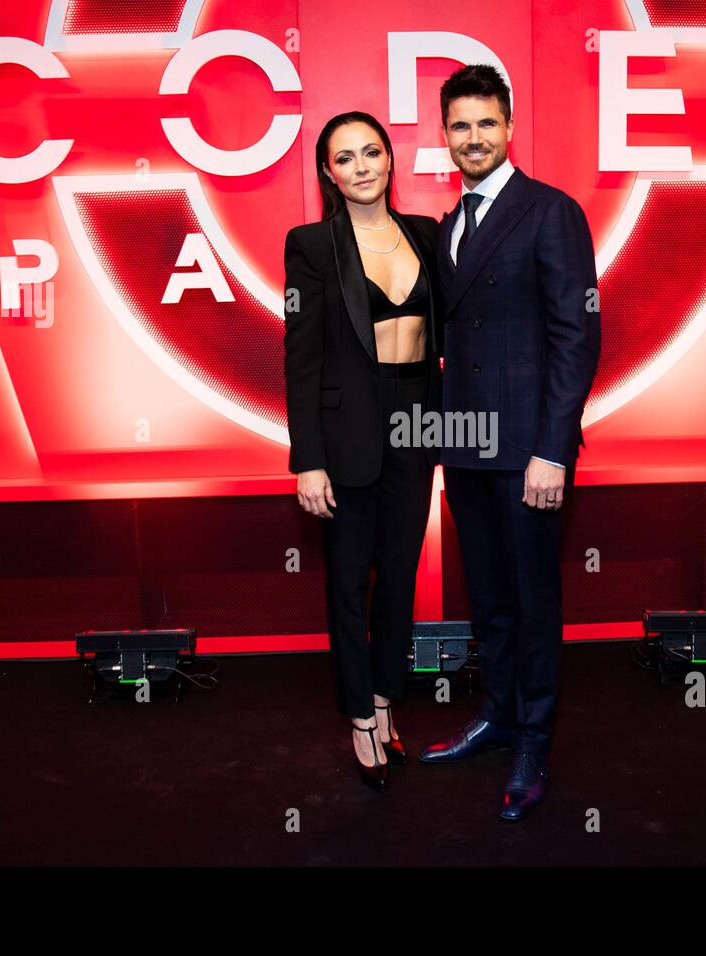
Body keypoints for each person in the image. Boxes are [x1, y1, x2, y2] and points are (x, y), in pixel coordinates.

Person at [417, 65, 601, 821]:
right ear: (445, 134)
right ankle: (496, 716)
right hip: (465, 448)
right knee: (488, 601)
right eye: (459, 126)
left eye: (485, 123)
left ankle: (533, 739)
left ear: (510, 125)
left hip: (529, 452)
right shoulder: (447, 224)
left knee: (532, 604)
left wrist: (553, 450)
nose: (473, 138)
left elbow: (577, 337)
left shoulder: (549, 212)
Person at [282, 111, 443, 792]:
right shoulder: (313, 245)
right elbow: (302, 357)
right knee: (349, 585)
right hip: (346, 436)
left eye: (370, 152)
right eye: (343, 158)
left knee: (400, 580)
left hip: (419, 420)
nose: (360, 167)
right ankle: (357, 717)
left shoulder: (427, 235)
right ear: (328, 172)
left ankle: (384, 701)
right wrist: (306, 459)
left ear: (388, 159)